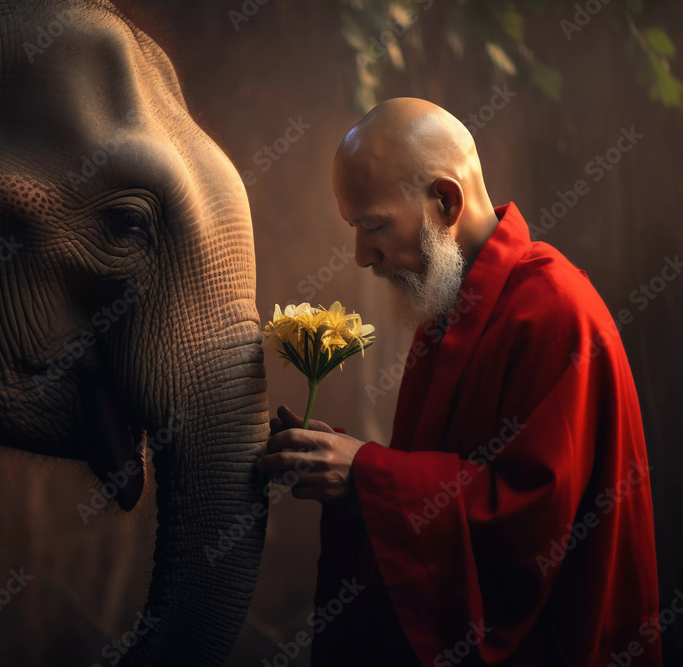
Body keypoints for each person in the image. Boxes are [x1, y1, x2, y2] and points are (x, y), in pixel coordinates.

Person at [257, 97, 661, 666]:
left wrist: (367, 475)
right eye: (355, 228)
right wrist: (345, 462)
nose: (361, 255)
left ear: (446, 200)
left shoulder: (555, 311)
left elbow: (530, 529)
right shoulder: (448, 307)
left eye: (373, 226)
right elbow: (447, 478)